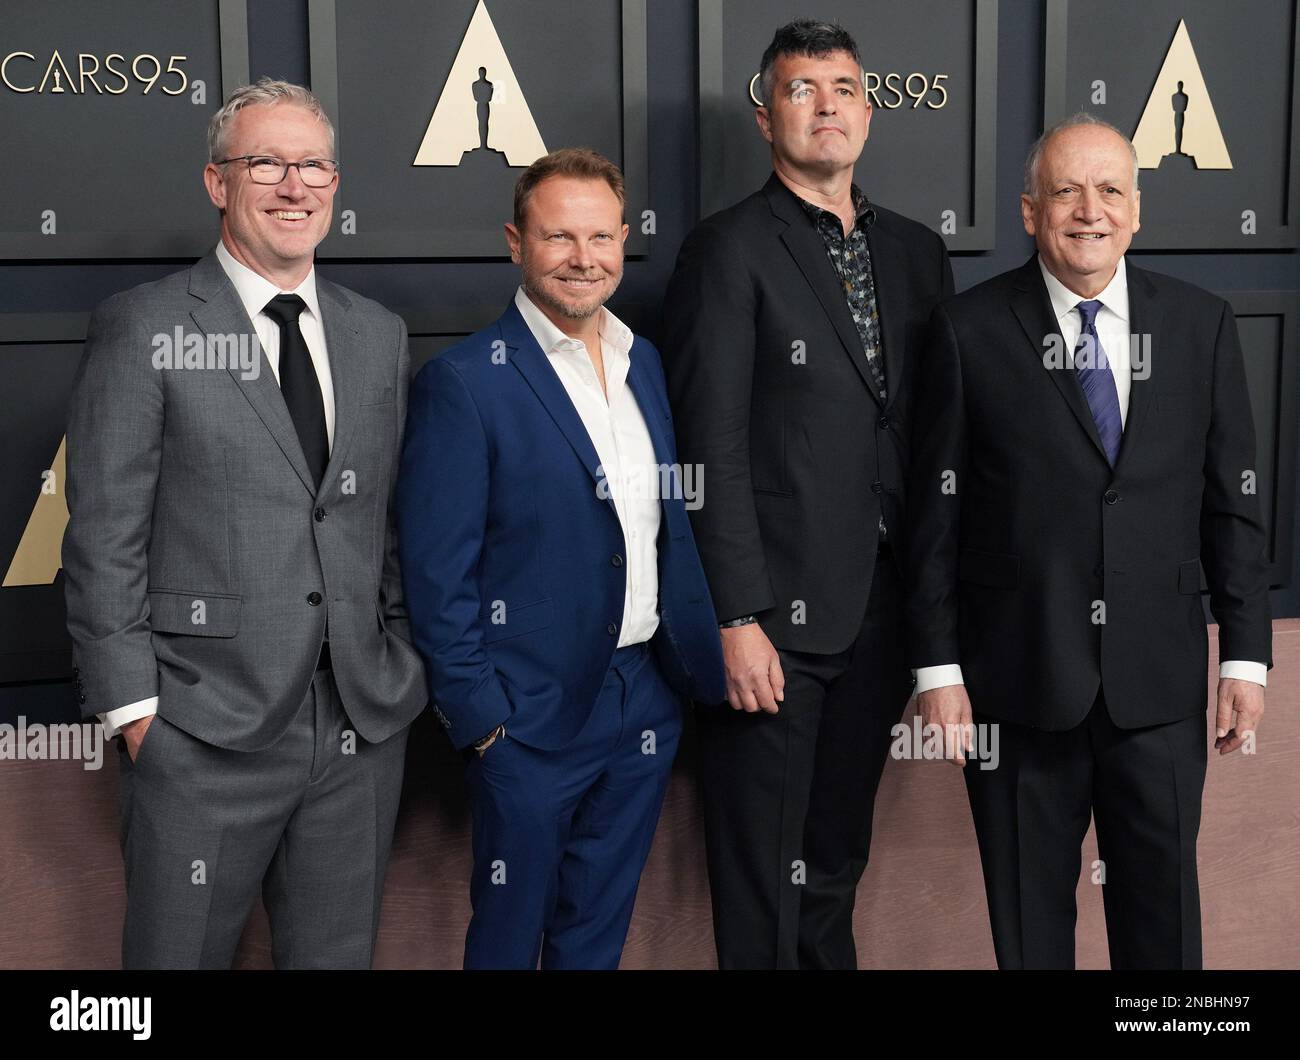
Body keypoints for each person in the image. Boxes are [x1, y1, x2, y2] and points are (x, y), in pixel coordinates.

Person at [63, 78, 426, 968]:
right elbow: (103, 534)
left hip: (357, 728)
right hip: (199, 728)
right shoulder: (146, 326)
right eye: (264, 163)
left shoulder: (377, 335)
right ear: (217, 182)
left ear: (335, 184)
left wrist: (399, 657)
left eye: (313, 166)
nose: (293, 186)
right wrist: (139, 716)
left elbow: (382, 522)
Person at [906, 113, 1272, 969]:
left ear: (1136, 210)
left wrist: (1245, 659)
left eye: (1109, 189)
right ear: (1030, 211)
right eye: (1064, 190)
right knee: (1030, 928)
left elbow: (1234, 505)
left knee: (1163, 924)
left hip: (1161, 686)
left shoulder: (1201, 324)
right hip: (1017, 683)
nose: (1088, 209)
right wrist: (937, 669)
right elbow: (935, 513)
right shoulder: (967, 330)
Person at [660, 19, 954, 969]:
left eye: (843, 90)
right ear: (765, 116)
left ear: (868, 112)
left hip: (881, 613)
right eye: (802, 90)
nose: (826, 106)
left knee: (834, 864)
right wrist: (736, 615)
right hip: (773, 626)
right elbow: (710, 446)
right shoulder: (727, 249)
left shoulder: (916, 252)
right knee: (760, 882)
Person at [397, 148, 726, 970]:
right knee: (508, 944)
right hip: (527, 718)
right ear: (516, 242)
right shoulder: (465, 383)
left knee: (594, 940)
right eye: (558, 238)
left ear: (623, 240)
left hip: (643, 699)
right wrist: (484, 726)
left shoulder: (643, 362)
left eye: (601, 237)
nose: (584, 258)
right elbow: (437, 575)